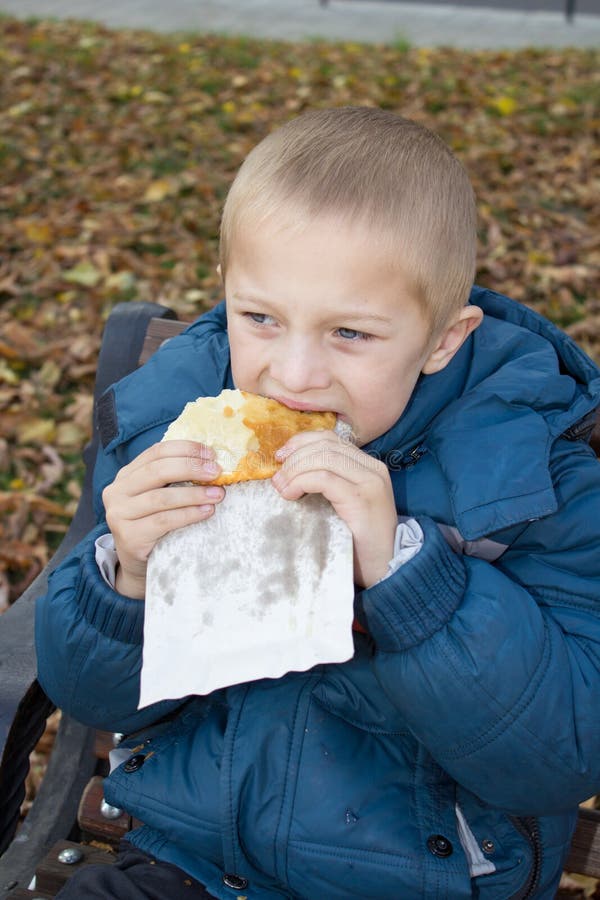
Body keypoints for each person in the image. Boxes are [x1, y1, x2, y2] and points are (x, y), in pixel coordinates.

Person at [36, 106, 600, 899]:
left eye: (350, 335)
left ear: (443, 338)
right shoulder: (178, 427)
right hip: (187, 869)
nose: (292, 376)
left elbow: (560, 754)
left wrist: (408, 575)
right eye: (260, 319)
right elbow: (90, 696)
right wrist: (123, 579)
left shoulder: (528, 485)